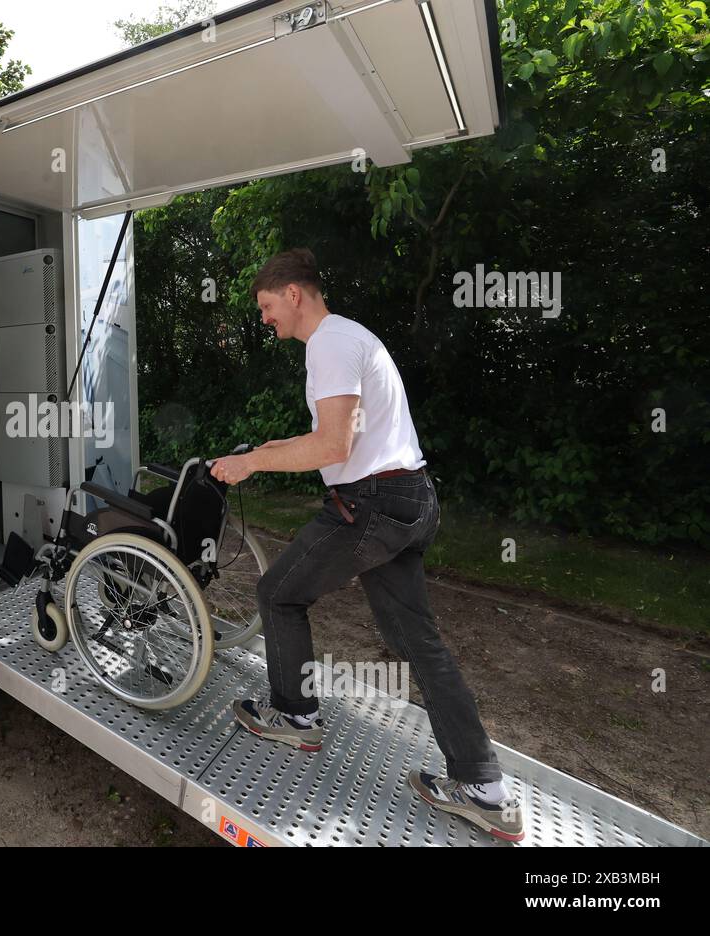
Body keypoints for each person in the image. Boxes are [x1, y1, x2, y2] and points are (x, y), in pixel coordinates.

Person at [208, 248, 524, 842]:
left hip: (371, 507)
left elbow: (333, 447)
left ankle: (296, 715)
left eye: (267, 306)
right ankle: (486, 788)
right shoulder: (351, 338)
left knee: (277, 592)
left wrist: (252, 465)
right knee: (416, 641)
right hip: (409, 500)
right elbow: (331, 435)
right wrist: (259, 451)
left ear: (294, 294)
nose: (265, 318)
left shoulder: (327, 344)